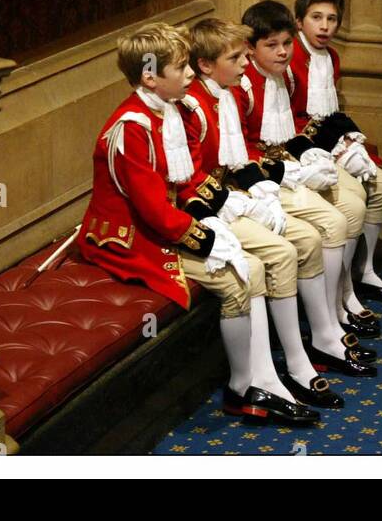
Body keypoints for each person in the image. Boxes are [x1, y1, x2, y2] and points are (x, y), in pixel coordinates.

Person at [76, 22, 319, 426]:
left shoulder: (170, 108)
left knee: (255, 265)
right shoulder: (131, 129)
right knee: (235, 277)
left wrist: (214, 219)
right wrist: (207, 239)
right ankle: (244, 389)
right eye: (180, 67)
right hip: (134, 237)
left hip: (168, 223)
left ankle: (259, 379)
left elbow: (182, 184)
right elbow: (153, 211)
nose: (190, 73)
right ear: (150, 77)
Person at [182, 17, 345, 409]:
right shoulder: (194, 106)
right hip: (204, 210)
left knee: (301, 240)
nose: (244, 63)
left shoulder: (222, 94)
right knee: (280, 251)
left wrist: (261, 189)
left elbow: (238, 158)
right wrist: (239, 200)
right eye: (235, 57)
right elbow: (188, 180)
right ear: (207, 65)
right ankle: (266, 375)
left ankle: (299, 356)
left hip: (225, 195)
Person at [238, 0, 378, 377]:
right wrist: (288, 172)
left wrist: (315, 154)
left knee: (347, 211)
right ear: (250, 49)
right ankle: (324, 330)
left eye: (286, 43)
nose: (283, 51)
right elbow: (241, 148)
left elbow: (290, 133)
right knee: (330, 224)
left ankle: (332, 319)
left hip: (285, 167)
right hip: (259, 182)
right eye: (272, 45)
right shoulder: (243, 87)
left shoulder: (284, 76)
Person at [291, 0, 382, 331]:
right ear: (299, 21)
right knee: (352, 203)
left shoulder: (332, 57)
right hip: (300, 153)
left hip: (326, 142)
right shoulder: (290, 57)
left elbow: (329, 114)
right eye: (316, 18)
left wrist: (349, 144)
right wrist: (335, 148)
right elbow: (291, 123)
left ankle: (363, 270)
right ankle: (341, 294)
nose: (324, 26)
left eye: (332, 19)